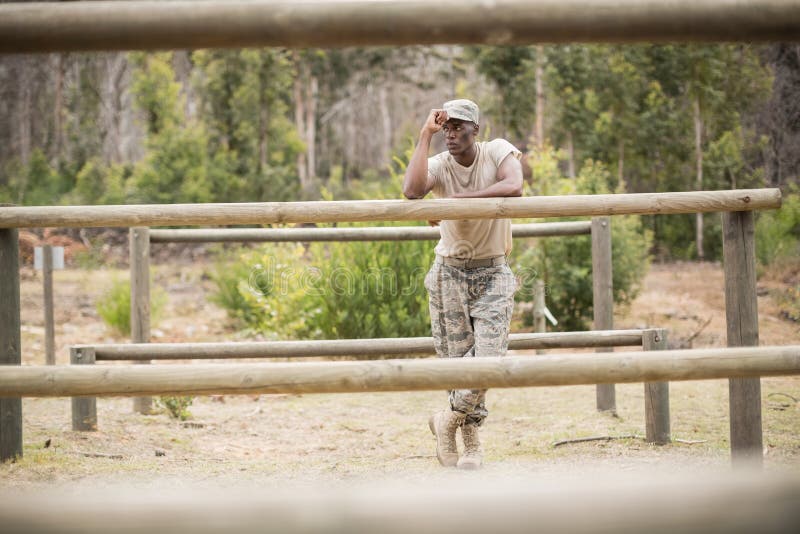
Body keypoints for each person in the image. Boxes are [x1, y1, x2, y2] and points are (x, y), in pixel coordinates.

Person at [402, 99, 523, 470]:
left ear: (476, 130)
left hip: (493, 272)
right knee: (456, 363)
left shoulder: (497, 150)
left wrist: (459, 201)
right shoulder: (439, 163)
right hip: (449, 273)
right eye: (447, 128)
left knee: (489, 359)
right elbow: (411, 191)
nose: (452, 135)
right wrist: (425, 134)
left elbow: (514, 185)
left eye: (459, 128)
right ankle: (471, 443)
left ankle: (447, 421)